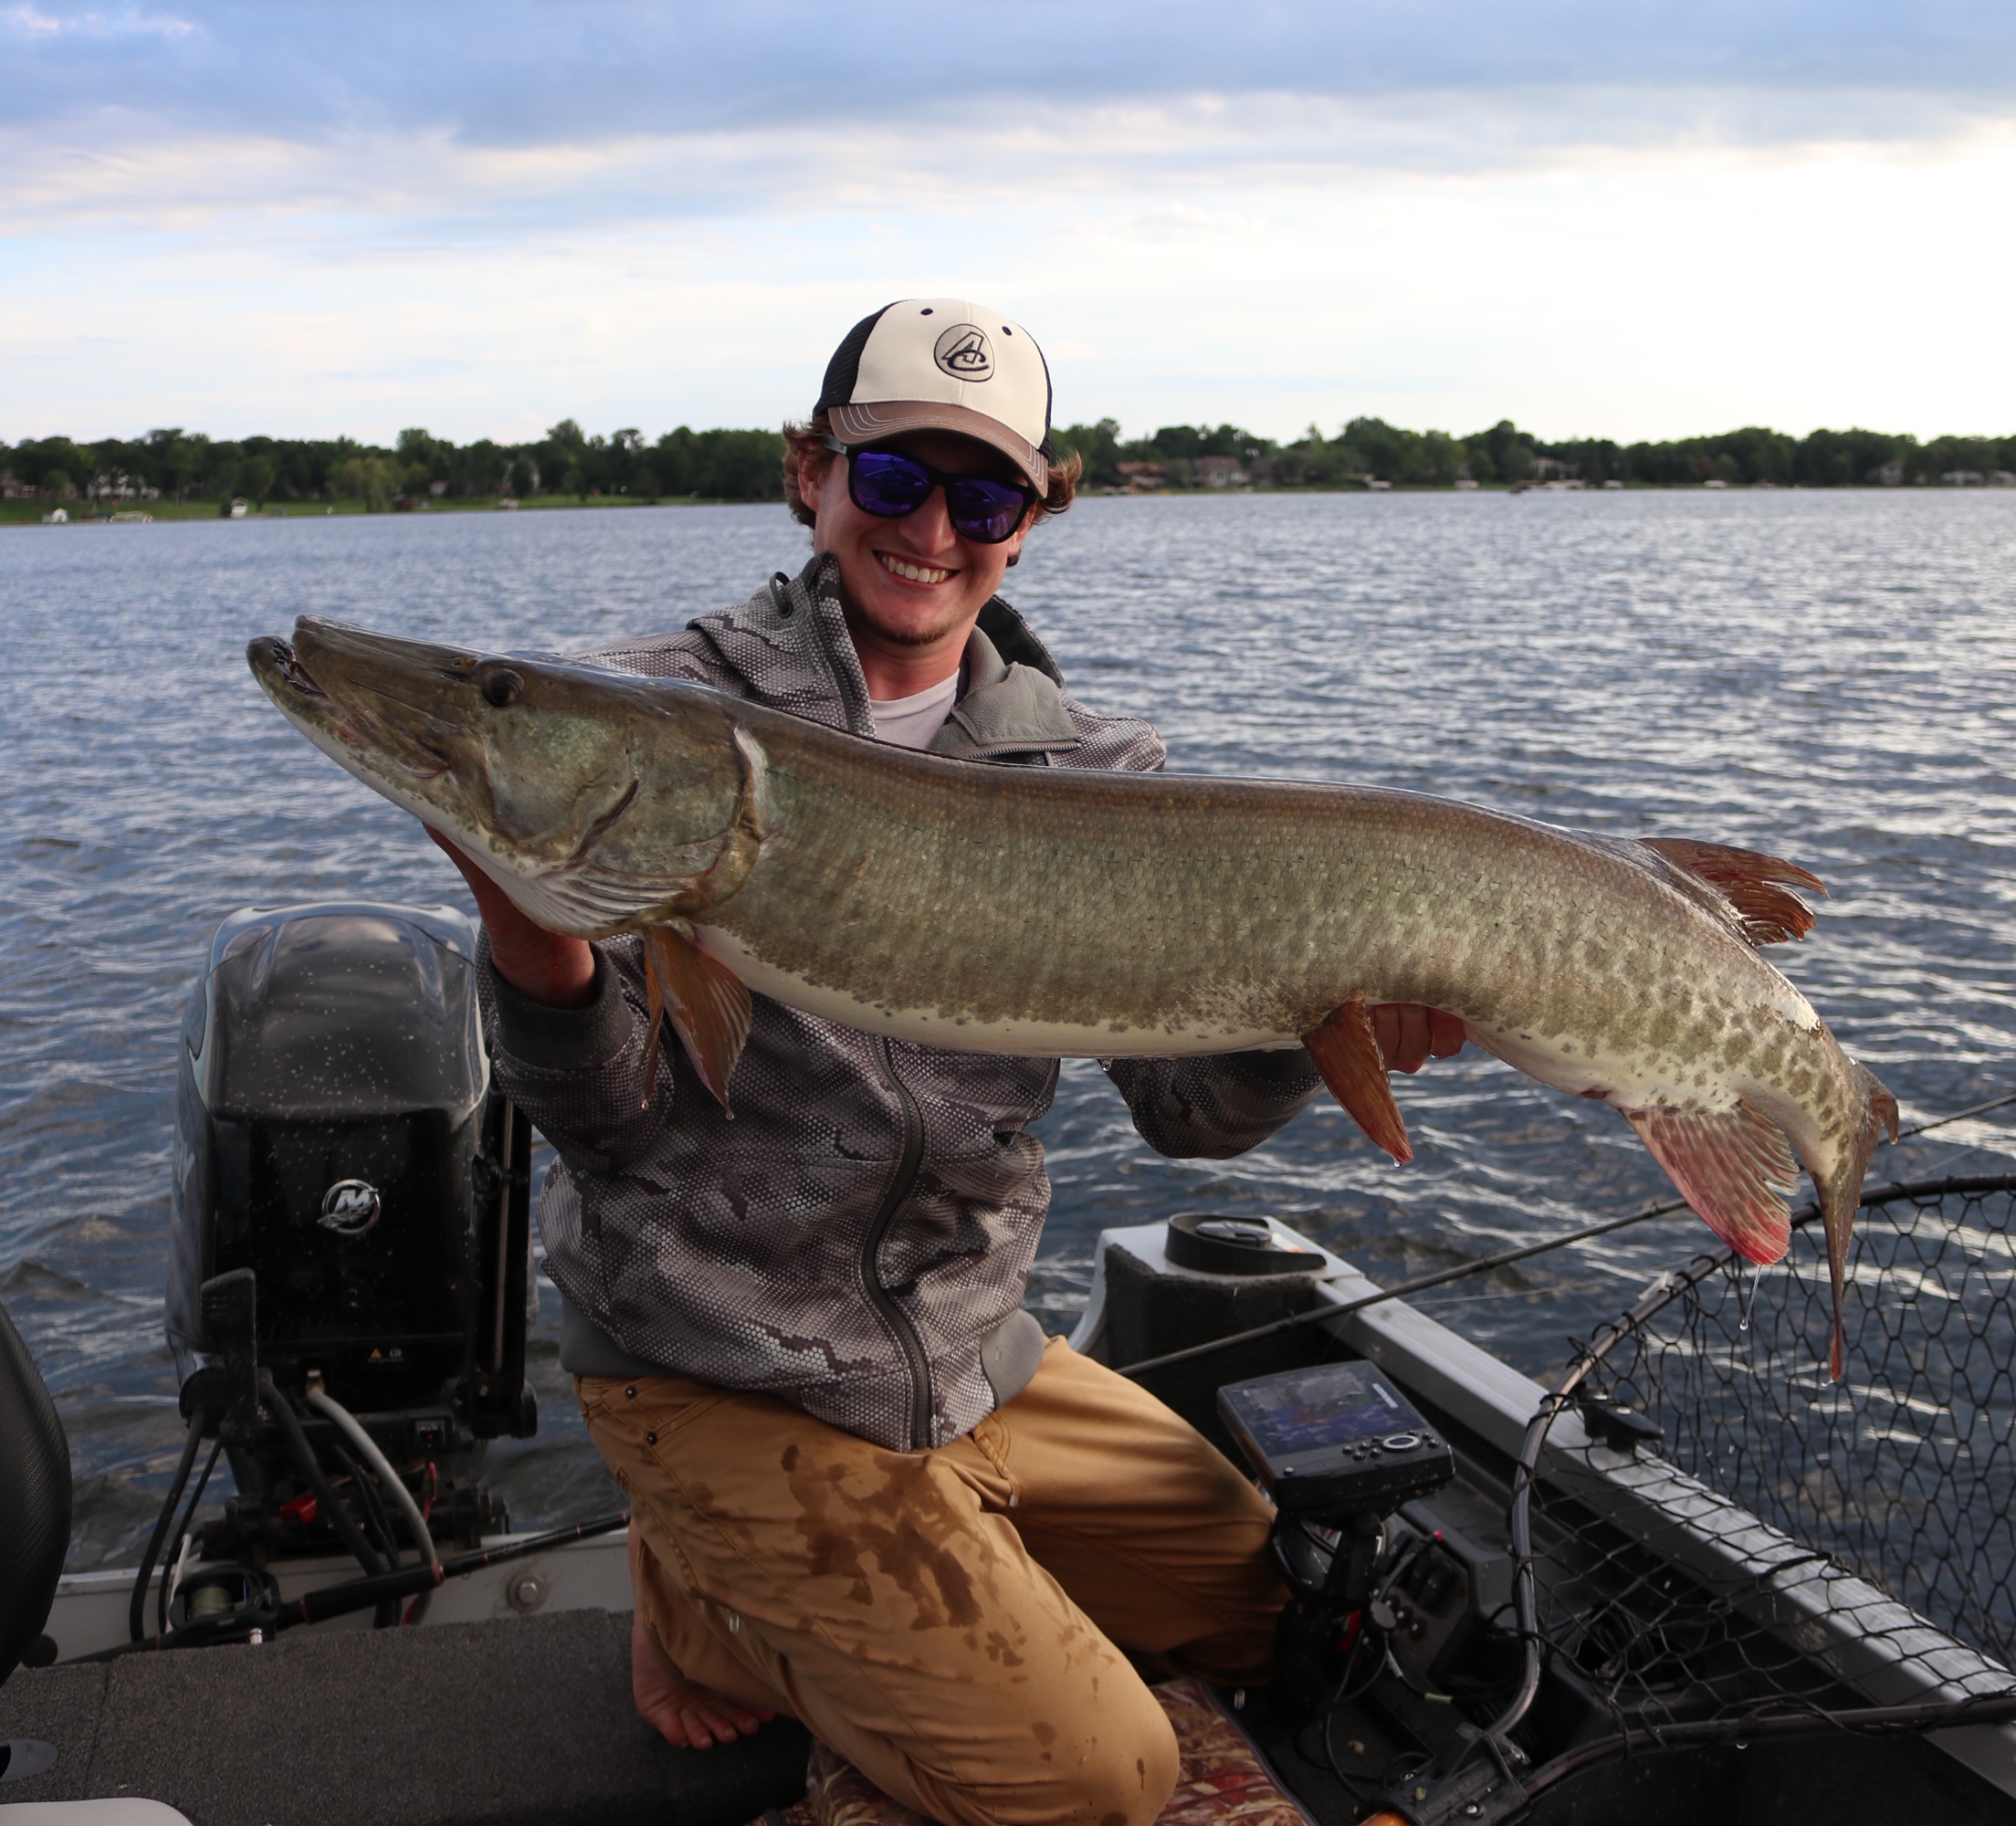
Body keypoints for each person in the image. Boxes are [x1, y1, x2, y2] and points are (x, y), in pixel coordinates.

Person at [430, 299, 1463, 1826]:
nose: (933, 530)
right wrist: (536, 939)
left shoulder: (1095, 772)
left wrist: (1323, 1032)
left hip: (967, 1360)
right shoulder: (660, 724)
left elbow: (1186, 1115)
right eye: (894, 479)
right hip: (723, 1365)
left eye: (983, 497)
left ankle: (747, 1594)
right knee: (1109, 1775)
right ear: (811, 472)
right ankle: (725, 1583)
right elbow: (608, 1122)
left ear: (1030, 522)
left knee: (1268, 1605)